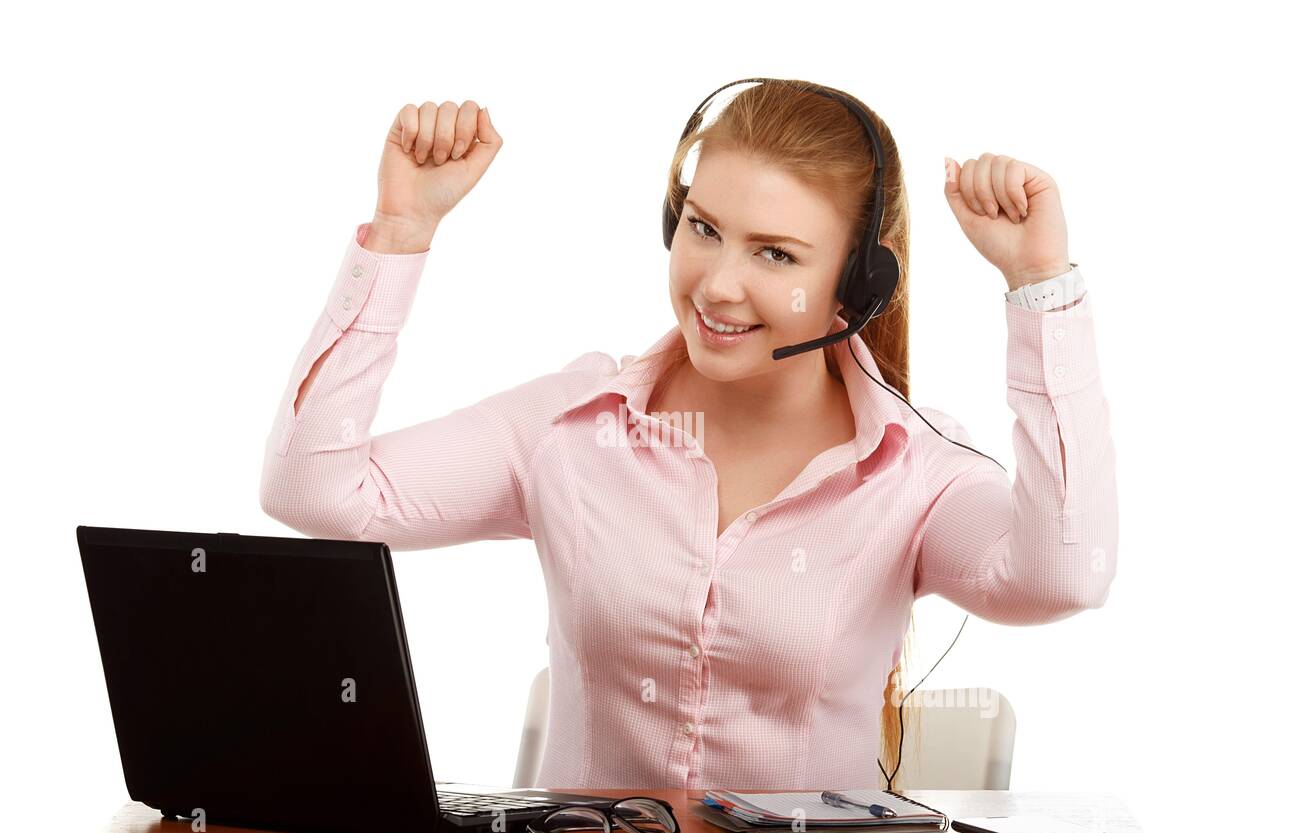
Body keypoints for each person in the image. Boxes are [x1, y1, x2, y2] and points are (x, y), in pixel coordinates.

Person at [260, 83, 1117, 791]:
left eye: (776, 255)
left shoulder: (917, 474)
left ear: (860, 283)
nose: (718, 285)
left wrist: (1040, 288)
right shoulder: (568, 426)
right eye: (704, 229)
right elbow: (315, 490)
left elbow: (1064, 577)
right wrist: (402, 233)